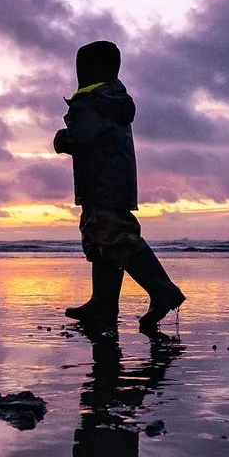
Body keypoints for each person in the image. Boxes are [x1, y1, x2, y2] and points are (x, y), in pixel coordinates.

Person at [51, 39, 186, 330]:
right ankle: (103, 303)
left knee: (114, 238)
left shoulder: (92, 102)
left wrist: (60, 139)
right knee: (101, 241)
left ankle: (163, 290)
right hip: (114, 183)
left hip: (103, 185)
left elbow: (77, 138)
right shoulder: (112, 100)